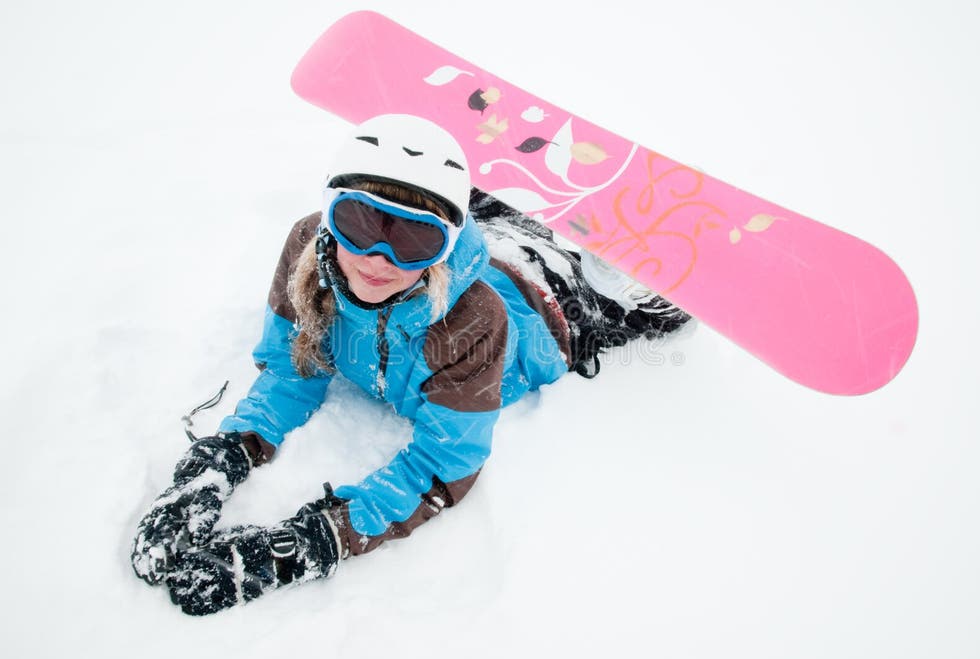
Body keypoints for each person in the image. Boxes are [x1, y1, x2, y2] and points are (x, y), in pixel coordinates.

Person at [130, 114, 690, 615]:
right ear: (329, 216)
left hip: (551, 315)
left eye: (413, 236)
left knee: (640, 309)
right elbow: (291, 367)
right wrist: (225, 455)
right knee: (497, 227)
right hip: (479, 250)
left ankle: (602, 267)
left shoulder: (472, 321)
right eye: (360, 224)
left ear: (443, 244)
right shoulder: (310, 247)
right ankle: (498, 214)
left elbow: (444, 462)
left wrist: (321, 537)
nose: (378, 259)